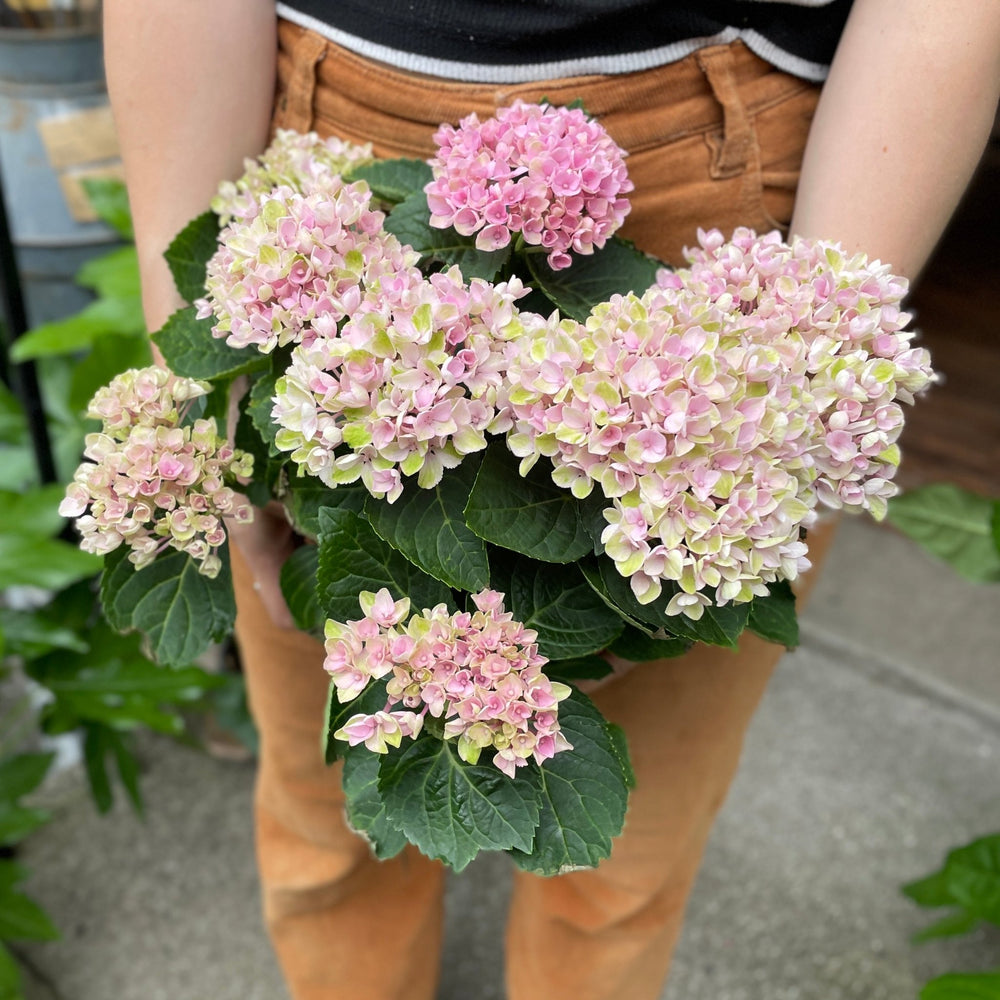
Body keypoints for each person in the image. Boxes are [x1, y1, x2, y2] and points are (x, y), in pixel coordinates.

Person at [103, 3, 1000, 998]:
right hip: (337, 173)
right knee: (331, 830)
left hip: (718, 181)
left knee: (624, 869)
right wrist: (206, 410)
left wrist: (819, 344)